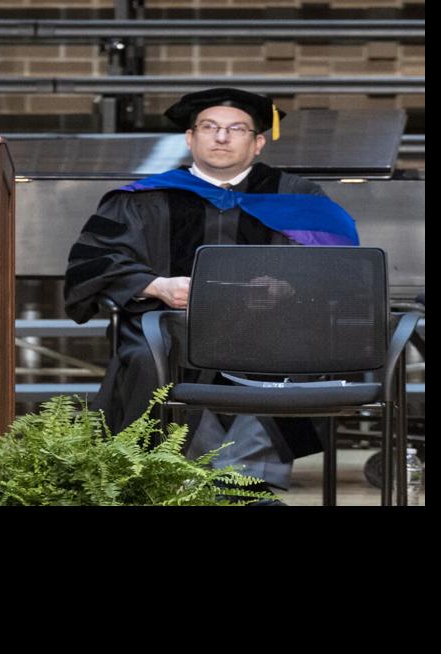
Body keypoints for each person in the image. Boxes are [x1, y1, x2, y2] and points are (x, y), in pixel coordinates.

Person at [63, 87, 359, 491]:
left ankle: (243, 479)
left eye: (236, 129)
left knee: (297, 353)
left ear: (257, 142)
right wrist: (159, 286)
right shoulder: (146, 197)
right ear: (190, 138)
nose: (221, 137)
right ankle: (174, 475)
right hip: (171, 327)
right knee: (149, 356)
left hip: (273, 331)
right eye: (209, 127)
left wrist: (287, 288)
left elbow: (338, 269)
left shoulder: (299, 197)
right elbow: (94, 261)